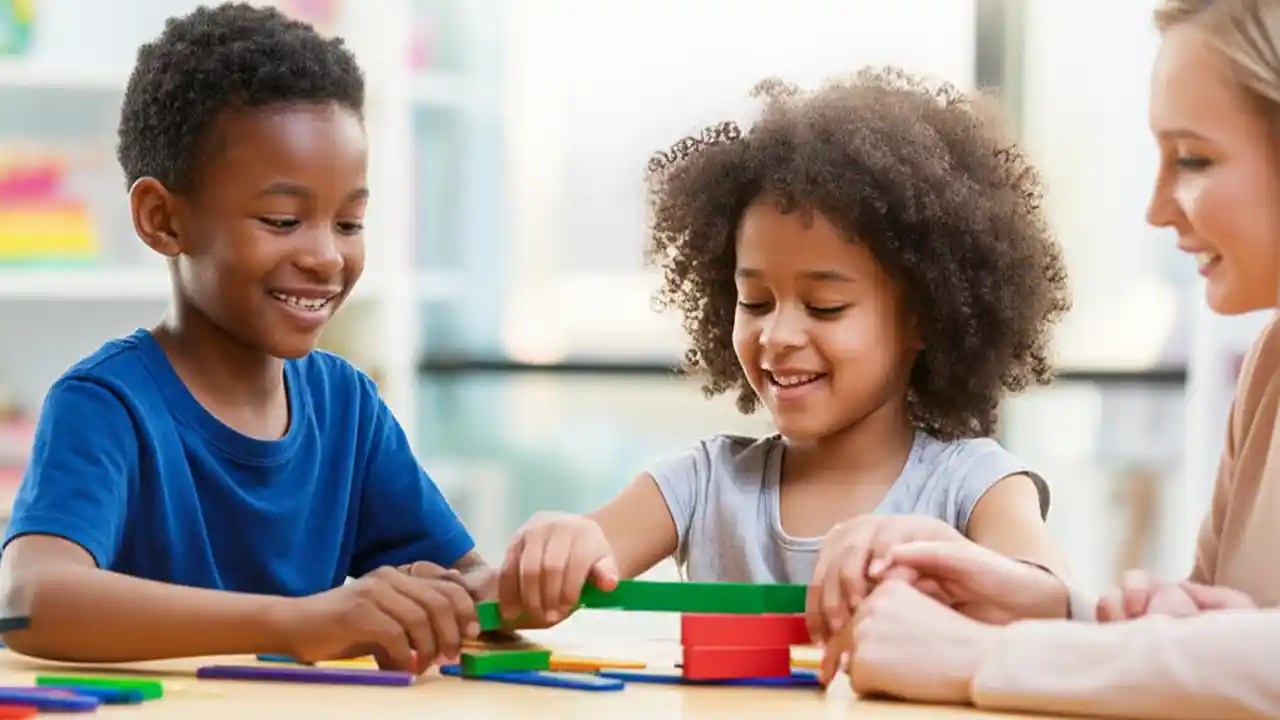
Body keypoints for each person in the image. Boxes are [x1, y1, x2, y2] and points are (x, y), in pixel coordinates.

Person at [492, 69, 1074, 639]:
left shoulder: (973, 484)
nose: (777, 336)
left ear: (922, 317)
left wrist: (942, 558)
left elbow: (1055, 608)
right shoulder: (703, 484)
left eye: (824, 306)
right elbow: (528, 594)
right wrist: (559, 550)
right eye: (755, 301)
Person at [0, 3, 491, 673]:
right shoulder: (105, 406)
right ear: (162, 219)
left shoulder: (348, 407)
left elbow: (466, 591)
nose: (325, 256)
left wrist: (535, 575)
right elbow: (29, 600)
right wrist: (297, 623)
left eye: (349, 223)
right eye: (283, 220)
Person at [834, 1, 1280, 717]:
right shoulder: (1270, 368)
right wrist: (1047, 611)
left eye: (1194, 159)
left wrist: (975, 656)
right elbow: (1234, 654)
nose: (1159, 208)